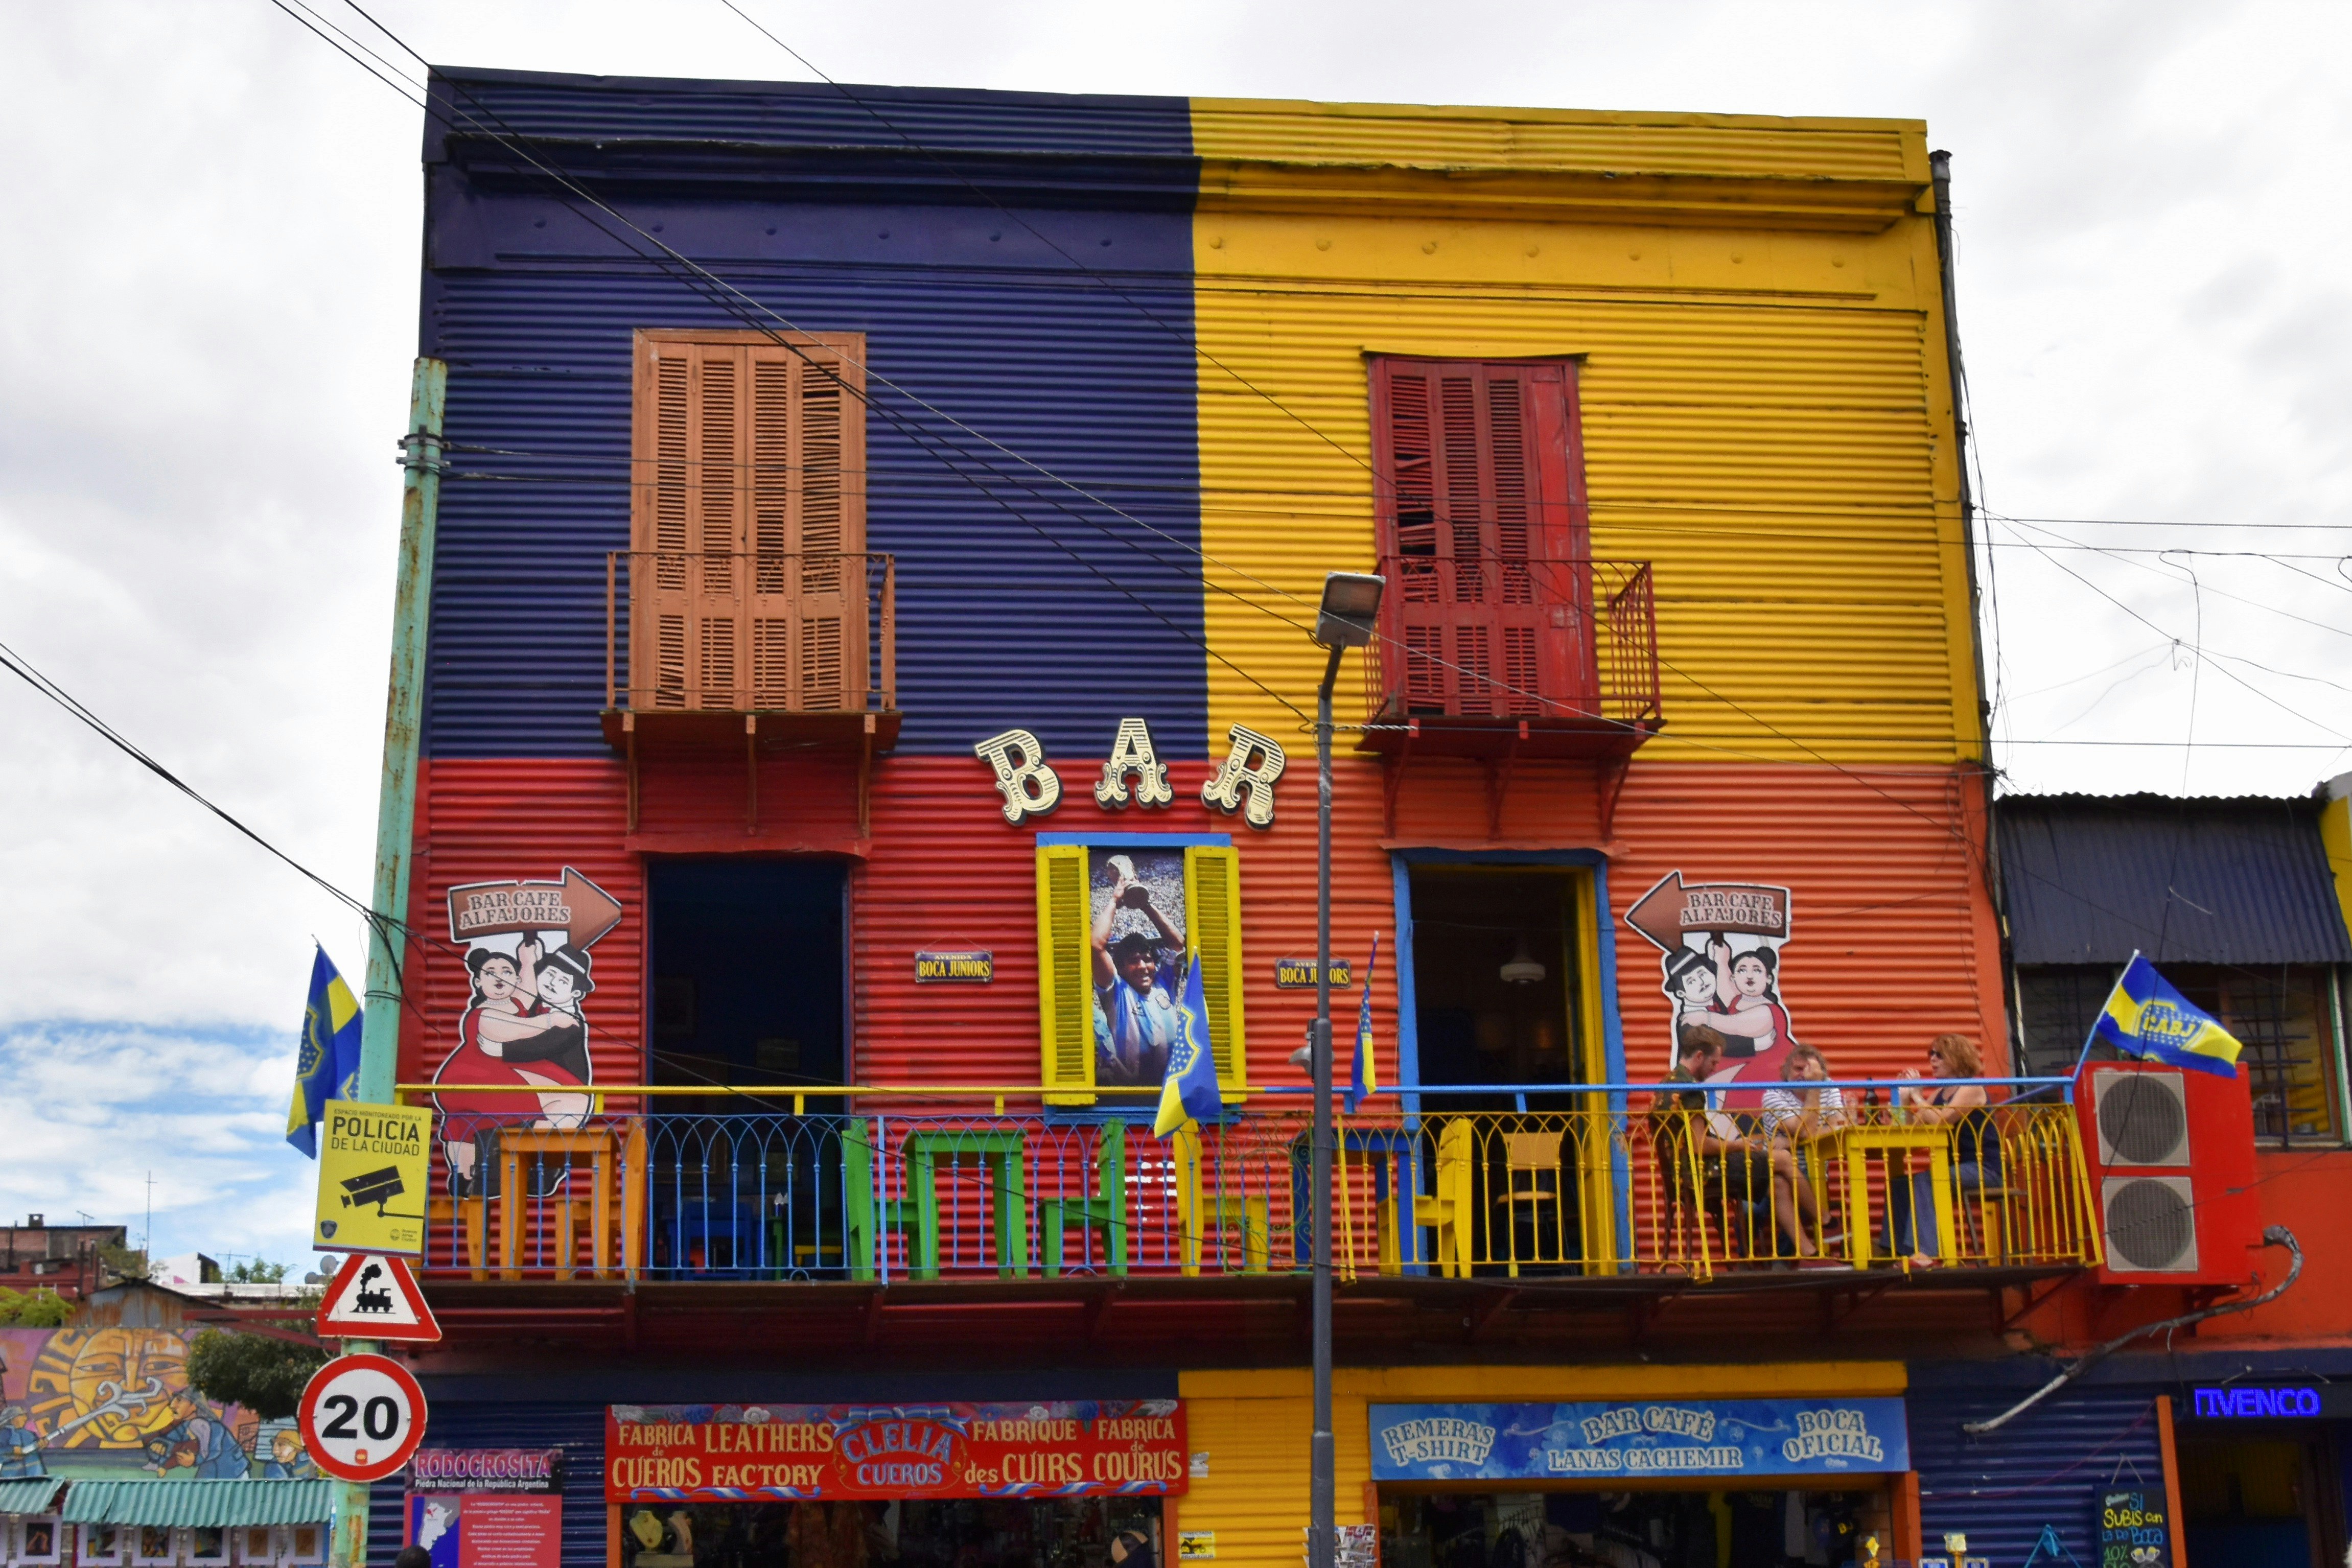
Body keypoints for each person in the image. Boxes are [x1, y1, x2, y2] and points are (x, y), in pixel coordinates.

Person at [1648, 1031, 1800, 1258]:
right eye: (1714, 1062)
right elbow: (1700, 1145)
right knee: (1785, 1159)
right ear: (1699, 1056)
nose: (1715, 1068)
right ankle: (1824, 1221)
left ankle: (1805, 1248)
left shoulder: (1666, 1085)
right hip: (1703, 1173)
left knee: (1777, 1182)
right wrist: (1739, 1146)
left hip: (1683, 1173)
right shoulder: (1689, 1090)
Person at [1888, 1033, 2001, 1266]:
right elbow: (1912, 1132)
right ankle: (1899, 1251)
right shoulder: (1941, 1093)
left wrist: (1918, 1097)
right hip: (1954, 1169)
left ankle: (1926, 1254)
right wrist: (1904, 1101)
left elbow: (1942, 1121)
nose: (1933, 1060)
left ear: (1956, 1058)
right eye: (1931, 1055)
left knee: (1927, 1181)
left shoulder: (1972, 1088)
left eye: (1939, 1055)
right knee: (1901, 1184)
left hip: (1984, 1169)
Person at [1091, 861, 1186, 1087]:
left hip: (1170, 1094)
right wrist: (1115, 900)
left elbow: (1178, 945)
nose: (1144, 966)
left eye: (1148, 959)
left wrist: (1146, 905)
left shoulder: (1164, 984)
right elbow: (1096, 945)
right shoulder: (1117, 992)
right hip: (1131, 1094)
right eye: (1134, 961)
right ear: (1120, 968)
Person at [1758, 1044, 1847, 1257]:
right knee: (1780, 1182)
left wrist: (1791, 1143)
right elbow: (1806, 1131)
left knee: (1781, 1184)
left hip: (1815, 1171)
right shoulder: (1773, 1096)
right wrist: (1815, 1090)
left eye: (1809, 1070)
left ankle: (1800, 1257)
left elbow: (1839, 1127)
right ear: (1786, 1070)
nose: (1802, 1075)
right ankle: (1825, 1224)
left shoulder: (1829, 1088)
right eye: (1797, 1069)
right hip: (1772, 1173)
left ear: (1820, 1072)